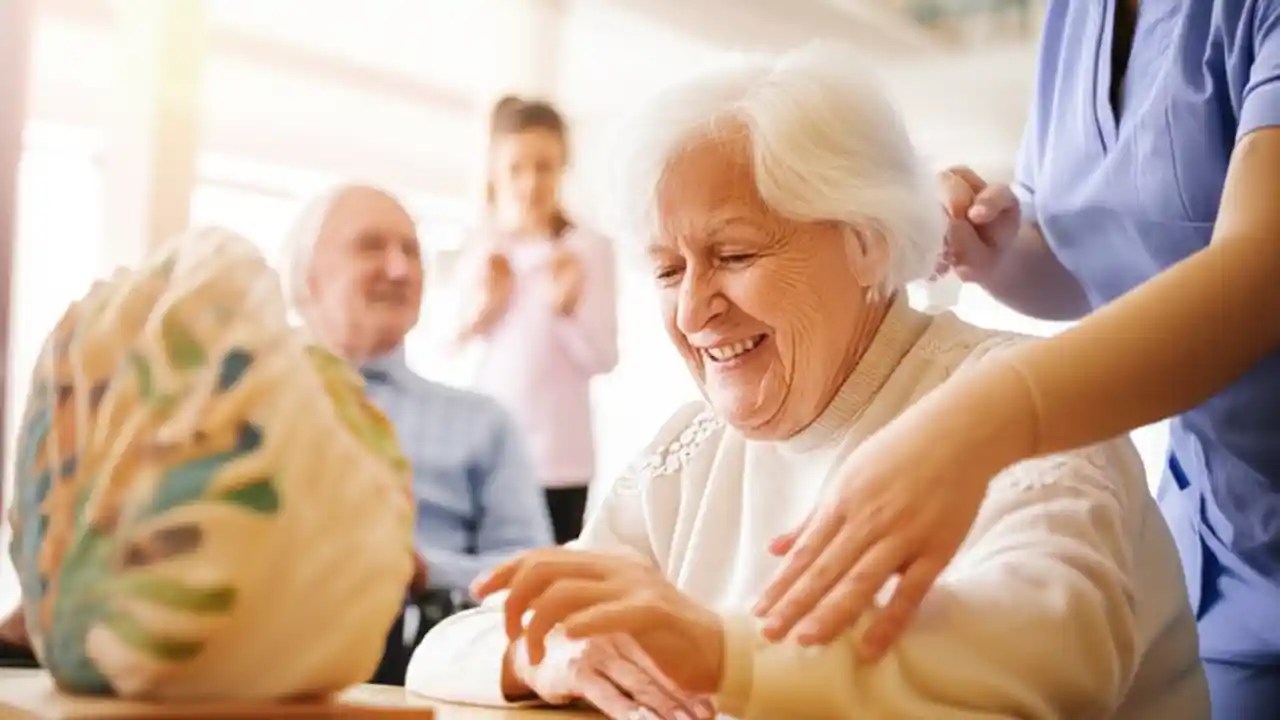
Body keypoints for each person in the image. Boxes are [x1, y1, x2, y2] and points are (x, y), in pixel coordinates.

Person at [402, 46, 1209, 719]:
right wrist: (547, 650)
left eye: (734, 255)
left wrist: (727, 656)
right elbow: (455, 645)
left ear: (866, 241)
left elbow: (1052, 654)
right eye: (667, 269)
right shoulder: (687, 456)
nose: (692, 310)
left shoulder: (1017, 405)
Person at [752, 3, 1280, 717]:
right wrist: (996, 254)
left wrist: (981, 423)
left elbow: (1259, 278)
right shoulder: (1078, 16)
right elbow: (1093, 259)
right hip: (1228, 530)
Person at [284, 185, 553, 683]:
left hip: (416, 660)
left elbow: (533, 572)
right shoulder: (252, 403)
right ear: (308, 276)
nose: (400, 269)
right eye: (371, 246)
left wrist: (423, 569)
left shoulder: (483, 422)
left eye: (411, 251)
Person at [455, 97, 619, 544]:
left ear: (563, 166)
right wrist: (485, 309)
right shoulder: (483, 250)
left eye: (544, 167)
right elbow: (450, 350)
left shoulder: (588, 249)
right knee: (481, 593)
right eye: (516, 168)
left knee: (549, 590)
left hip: (560, 462)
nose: (530, 183)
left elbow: (605, 358)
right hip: (487, 454)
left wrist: (564, 311)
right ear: (495, 170)